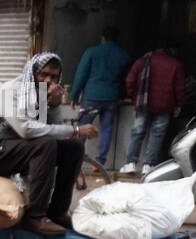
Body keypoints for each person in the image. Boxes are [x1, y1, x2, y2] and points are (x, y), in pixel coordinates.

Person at [0, 52, 96, 236]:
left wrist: (54, 105)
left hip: (17, 149)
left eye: (53, 76)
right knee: (45, 144)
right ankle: (35, 216)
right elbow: (26, 130)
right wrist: (75, 130)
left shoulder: (41, 94)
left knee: (74, 147)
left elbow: (52, 129)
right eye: (43, 74)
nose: (48, 80)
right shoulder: (11, 90)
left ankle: (57, 212)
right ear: (33, 72)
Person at [69, 27, 131, 167]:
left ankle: (74, 157)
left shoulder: (91, 52)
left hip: (91, 97)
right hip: (111, 99)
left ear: (103, 38)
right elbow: (126, 79)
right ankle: (100, 162)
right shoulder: (124, 56)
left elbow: (81, 75)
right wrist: (123, 95)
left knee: (82, 127)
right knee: (106, 128)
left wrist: (74, 95)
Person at [122, 41, 185, 174]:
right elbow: (179, 88)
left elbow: (130, 80)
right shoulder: (175, 64)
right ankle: (148, 166)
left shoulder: (143, 61)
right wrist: (178, 104)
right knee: (157, 135)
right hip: (165, 106)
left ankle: (130, 164)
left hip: (143, 104)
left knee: (137, 133)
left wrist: (134, 97)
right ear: (172, 50)